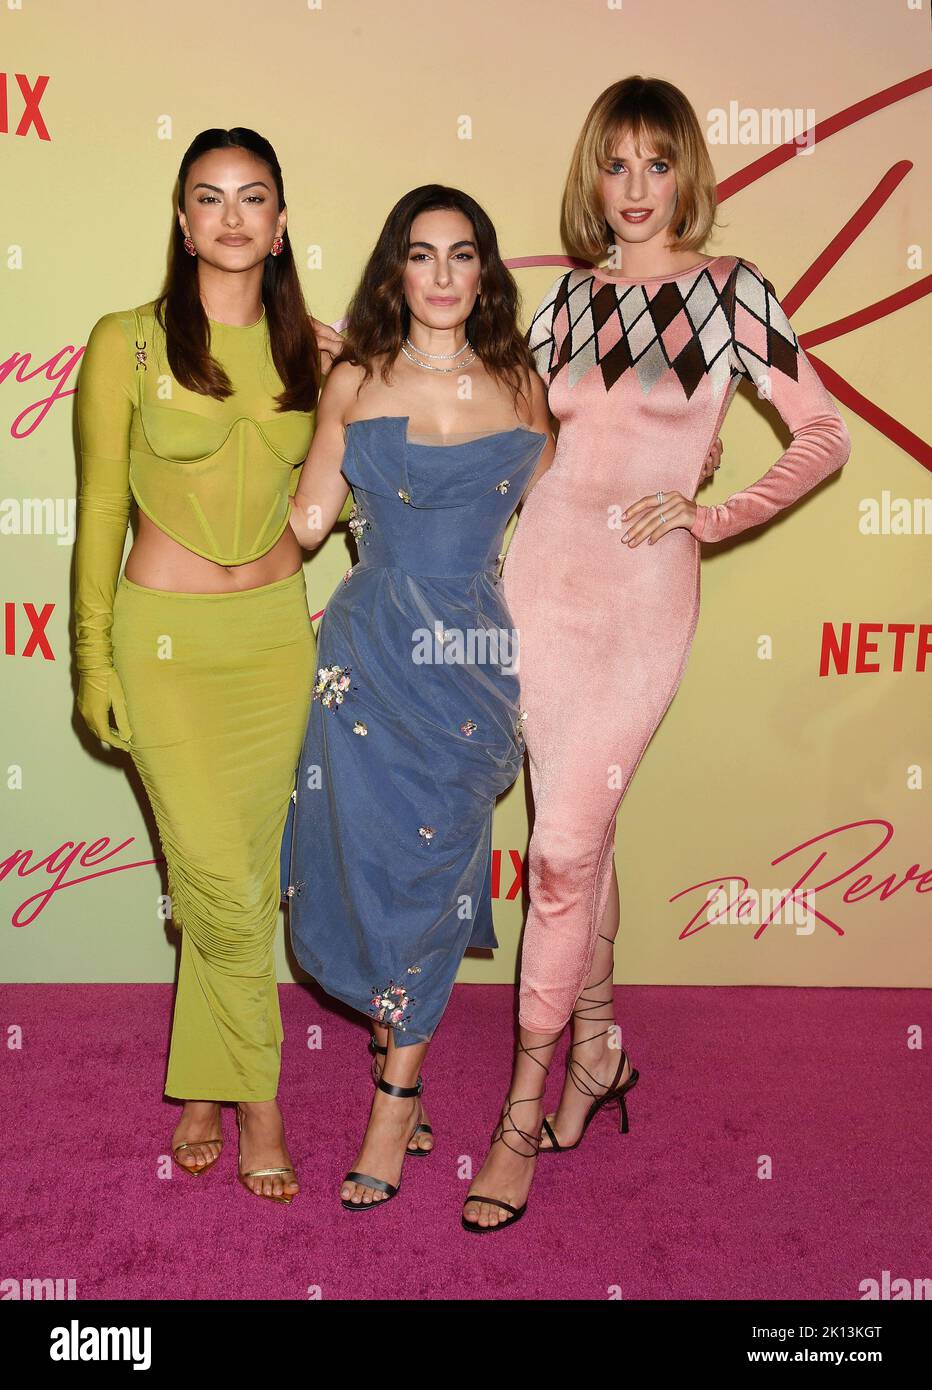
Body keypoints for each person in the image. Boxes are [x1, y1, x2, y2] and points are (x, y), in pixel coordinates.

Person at [463, 76, 851, 1231]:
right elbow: (514, 436)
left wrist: (708, 514)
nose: (633, 188)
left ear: (688, 170)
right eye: (614, 164)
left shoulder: (732, 294)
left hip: (638, 595)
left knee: (567, 848)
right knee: (573, 830)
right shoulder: (565, 302)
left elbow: (822, 431)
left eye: (656, 163)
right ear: (593, 175)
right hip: (538, 579)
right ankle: (594, 1050)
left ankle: (520, 1110)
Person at [283, 185, 553, 1215]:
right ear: (395, 270)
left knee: (437, 869)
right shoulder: (353, 375)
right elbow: (309, 520)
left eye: (461, 255)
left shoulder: (523, 384)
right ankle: (401, 1082)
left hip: (471, 655)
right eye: (420, 255)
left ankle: (393, 1101)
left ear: (484, 270)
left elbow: (565, 512)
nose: (441, 275)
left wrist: (679, 462)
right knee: (367, 864)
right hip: (364, 655)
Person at [74, 127, 323, 1205]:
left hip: (273, 642)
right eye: (208, 198)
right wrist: (91, 657)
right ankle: (260, 1101)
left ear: (278, 223)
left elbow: (414, 439)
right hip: (164, 648)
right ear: (182, 223)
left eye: (252, 197)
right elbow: (97, 516)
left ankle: (200, 1087)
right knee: (218, 890)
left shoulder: (318, 348)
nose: (230, 216)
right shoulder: (124, 342)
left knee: (241, 883)